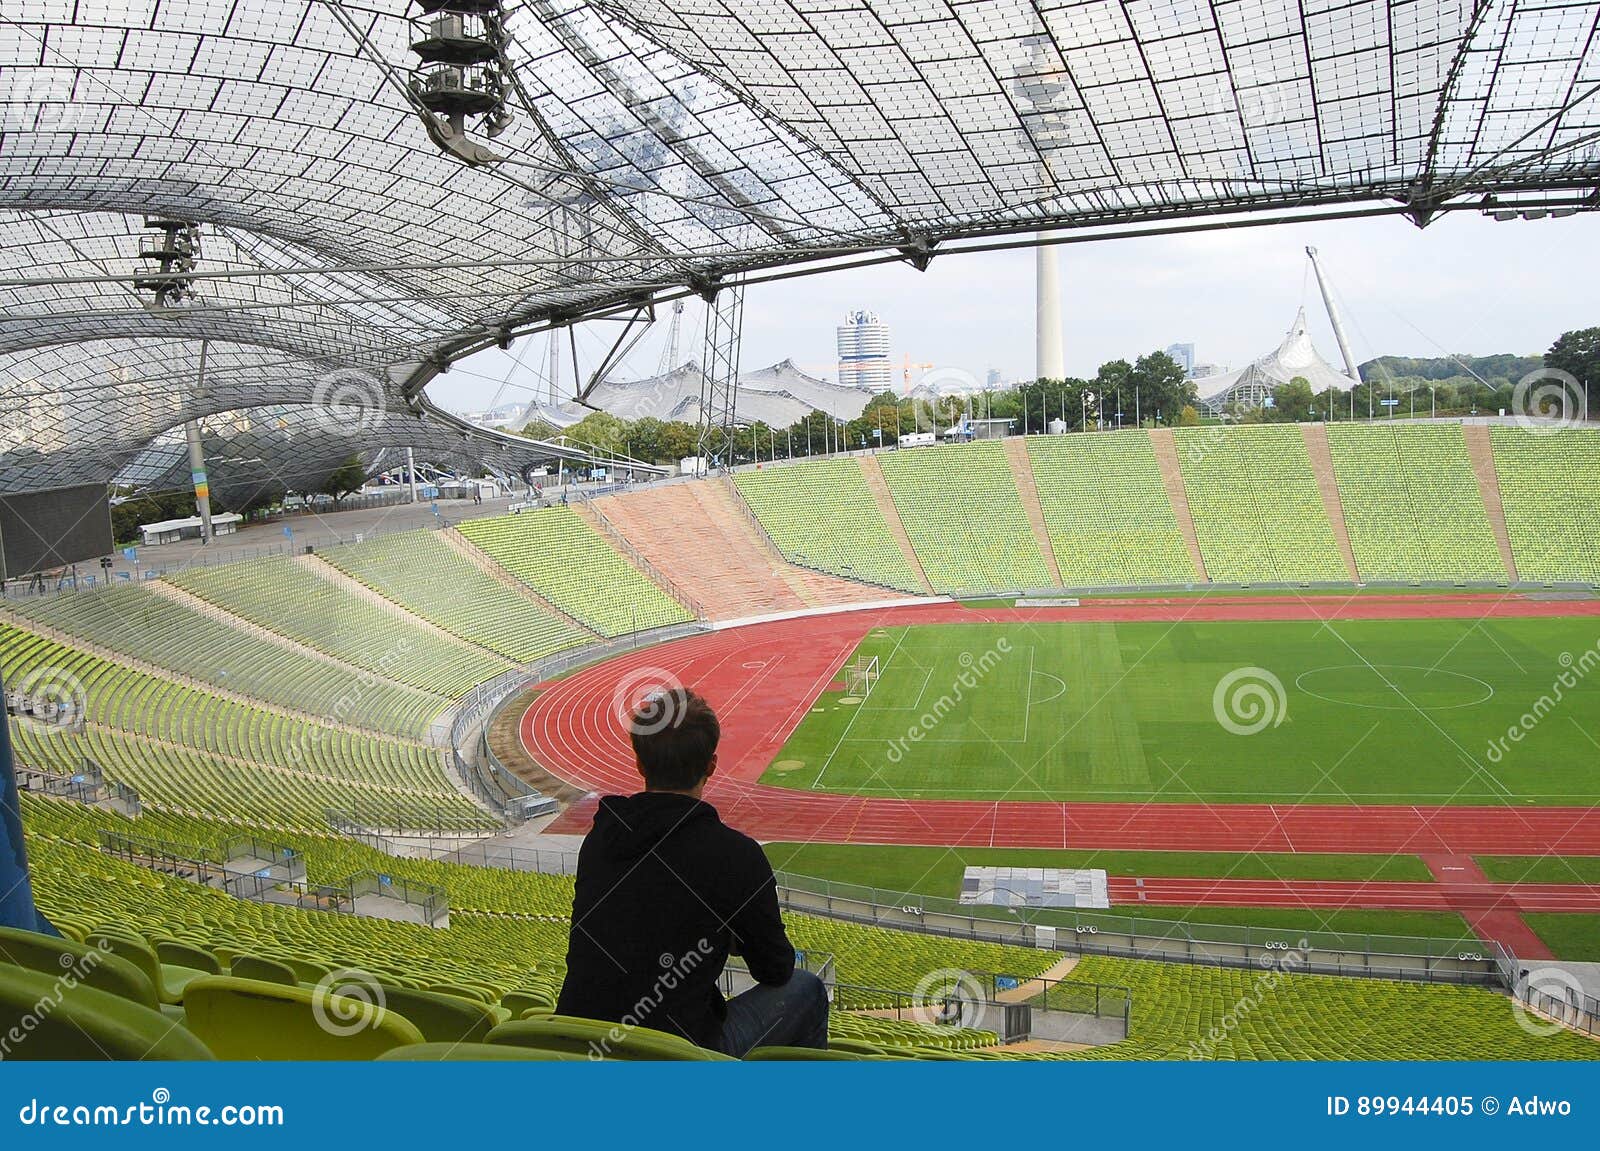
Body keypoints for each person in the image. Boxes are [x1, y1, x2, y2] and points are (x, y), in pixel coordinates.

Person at [555, 687, 828, 1057]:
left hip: (576, 1041)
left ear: (640, 764)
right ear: (711, 766)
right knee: (807, 988)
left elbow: (642, 917)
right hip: (675, 1053)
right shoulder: (736, 855)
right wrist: (729, 934)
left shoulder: (601, 838)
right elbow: (775, 969)